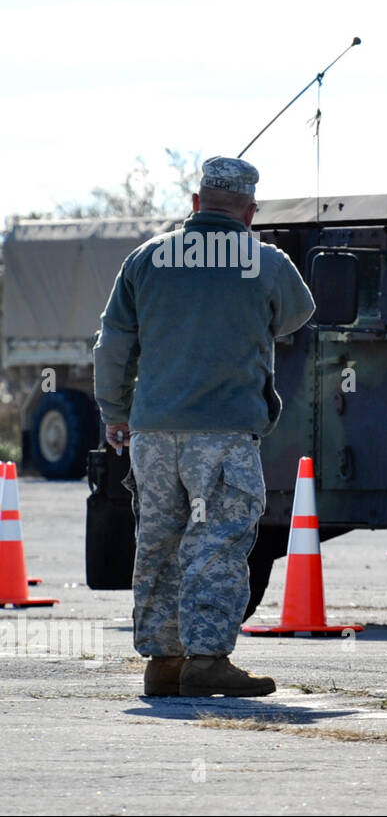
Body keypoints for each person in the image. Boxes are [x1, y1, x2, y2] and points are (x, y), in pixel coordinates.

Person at [94, 156, 315, 697]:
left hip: (151, 431)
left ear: (196, 203)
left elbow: (113, 342)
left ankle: (162, 663)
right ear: (249, 211)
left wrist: (114, 412)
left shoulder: (146, 258)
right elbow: (297, 315)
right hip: (223, 431)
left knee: (159, 543)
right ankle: (208, 660)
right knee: (217, 542)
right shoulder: (265, 260)